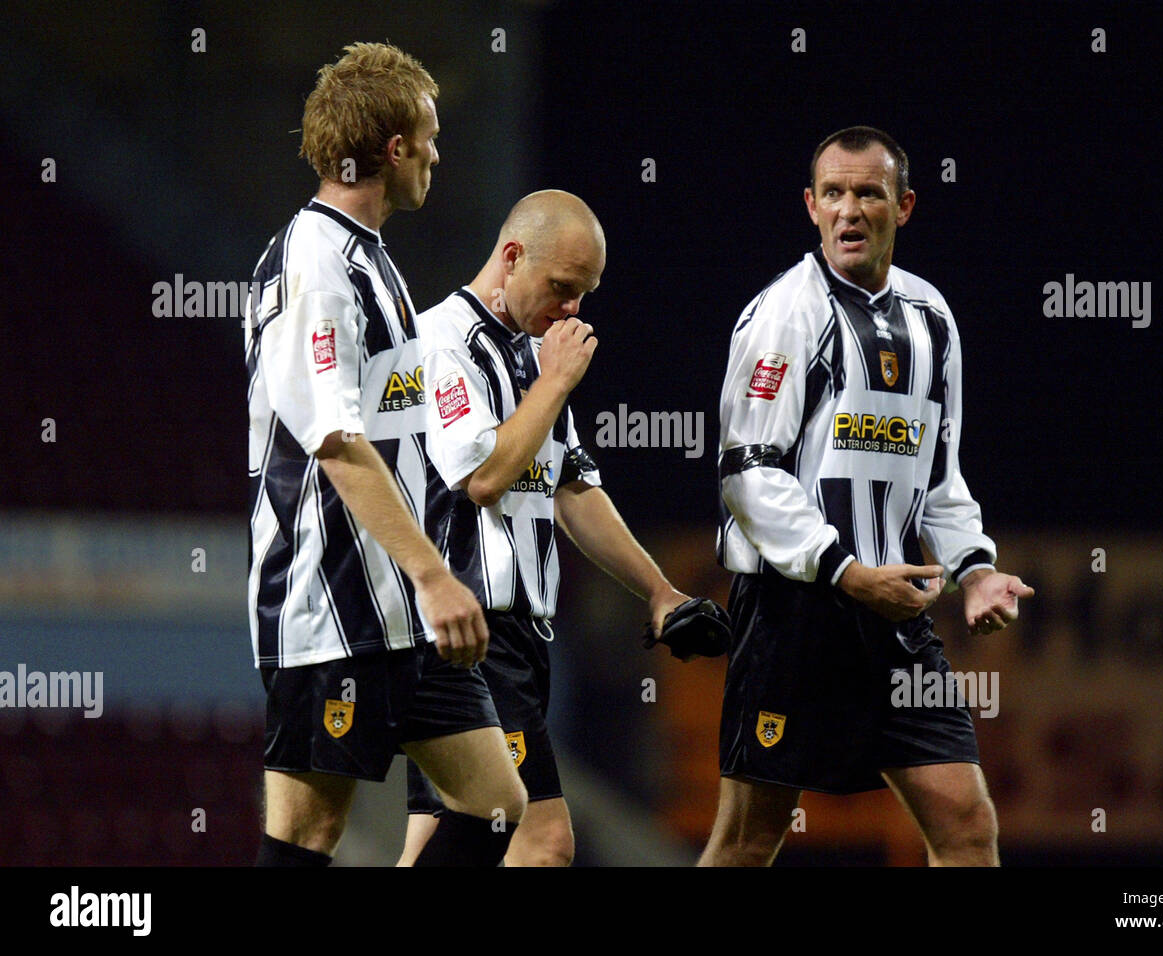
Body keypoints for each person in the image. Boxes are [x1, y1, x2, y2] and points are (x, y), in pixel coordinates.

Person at [702, 126, 1034, 867]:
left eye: (868, 193)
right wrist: (848, 573)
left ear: (904, 206)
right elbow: (748, 472)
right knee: (748, 840)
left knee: (968, 828)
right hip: (794, 612)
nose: (849, 209)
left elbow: (938, 473)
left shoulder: (932, 318)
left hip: (892, 620)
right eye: (834, 194)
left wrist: (976, 570)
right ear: (812, 207)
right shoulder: (785, 314)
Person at [245, 42, 526, 867]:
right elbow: (335, 442)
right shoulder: (318, 268)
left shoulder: (373, 261)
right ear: (394, 146)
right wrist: (437, 577)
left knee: (498, 806)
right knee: (306, 836)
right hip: (329, 600)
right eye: (430, 137)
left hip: (400, 605)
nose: (439, 154)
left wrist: (425, 576)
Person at [397, 190, 693, 866]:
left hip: (520, 638)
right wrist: (556, 382)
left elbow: (574, 489)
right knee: (539, 836)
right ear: (511, 257)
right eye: (562, 287)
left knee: (437, 837)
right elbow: (485, 476)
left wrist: (658, 590)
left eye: (584, 294)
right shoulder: (441, 343)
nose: (572, 309)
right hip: (470, 632)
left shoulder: (531, 357)